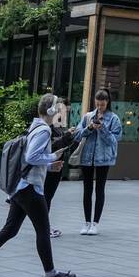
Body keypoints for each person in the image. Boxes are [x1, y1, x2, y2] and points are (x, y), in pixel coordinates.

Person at [0, 93, 76, 277]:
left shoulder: (35, 127)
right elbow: (32, 157)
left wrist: (49, 166)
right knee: (42, 230)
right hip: (30, 188)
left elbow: (29, 158)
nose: (59, 111)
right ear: (50, 110)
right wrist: (50, 159)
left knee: (9, 230)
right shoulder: (44, 131)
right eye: (57, 108)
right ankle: (50, 274)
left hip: (21, 187)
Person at [76, 89, 122, 235]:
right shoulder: (88, 116)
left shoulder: (113, 118)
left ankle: (95, 223)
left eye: (102, 104)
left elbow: (114, 141)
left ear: (107, 103)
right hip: (87, 158)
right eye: (97, 104)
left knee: (99, 189)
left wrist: (102, 128)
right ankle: (86, 222)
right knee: (87, 190)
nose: (100, 107)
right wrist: (89, 127)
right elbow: (78, 135)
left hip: (103, 159)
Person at [44, 101, 78, 238]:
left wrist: (70, 136)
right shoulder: (48, 128)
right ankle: (44, 227)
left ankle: (44, 226)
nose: (65, 115)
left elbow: (62, 143)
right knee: (45, 197)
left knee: (47, 197)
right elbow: (52, 147)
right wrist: (66, 136)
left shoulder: (58, 126)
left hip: (56, 167)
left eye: (67, 112)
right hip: (49, 167)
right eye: (63, 111)